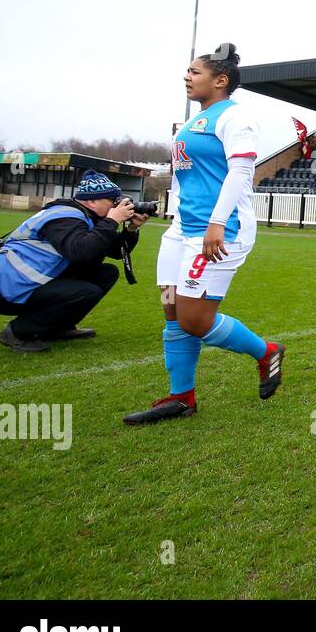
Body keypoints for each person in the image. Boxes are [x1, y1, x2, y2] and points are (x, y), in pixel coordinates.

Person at [123, 45, 285, 426]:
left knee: (194, 319)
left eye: (195, 72)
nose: (187, 76)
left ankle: (267, 352)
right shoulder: (192, 122)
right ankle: (181, 397)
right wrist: (171, 214)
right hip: (182, 230)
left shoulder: (235, 118)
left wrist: (217, 222)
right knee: (171, 308)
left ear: (220, 80)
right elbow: (187, 177)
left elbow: (240, 173)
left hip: (219, 231)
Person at [0, 171, 147, 352]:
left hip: (23, 282)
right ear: (92, 202)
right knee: (86, 292)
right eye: (113, 200)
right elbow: (79, 251)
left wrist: (131, 229)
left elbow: (115, 251)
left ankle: (58, 327)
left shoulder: (88, 216)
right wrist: (112, 220)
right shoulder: (64, 217)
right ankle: (18, 332)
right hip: (0, 287)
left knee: (106, 273)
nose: (116, 205)